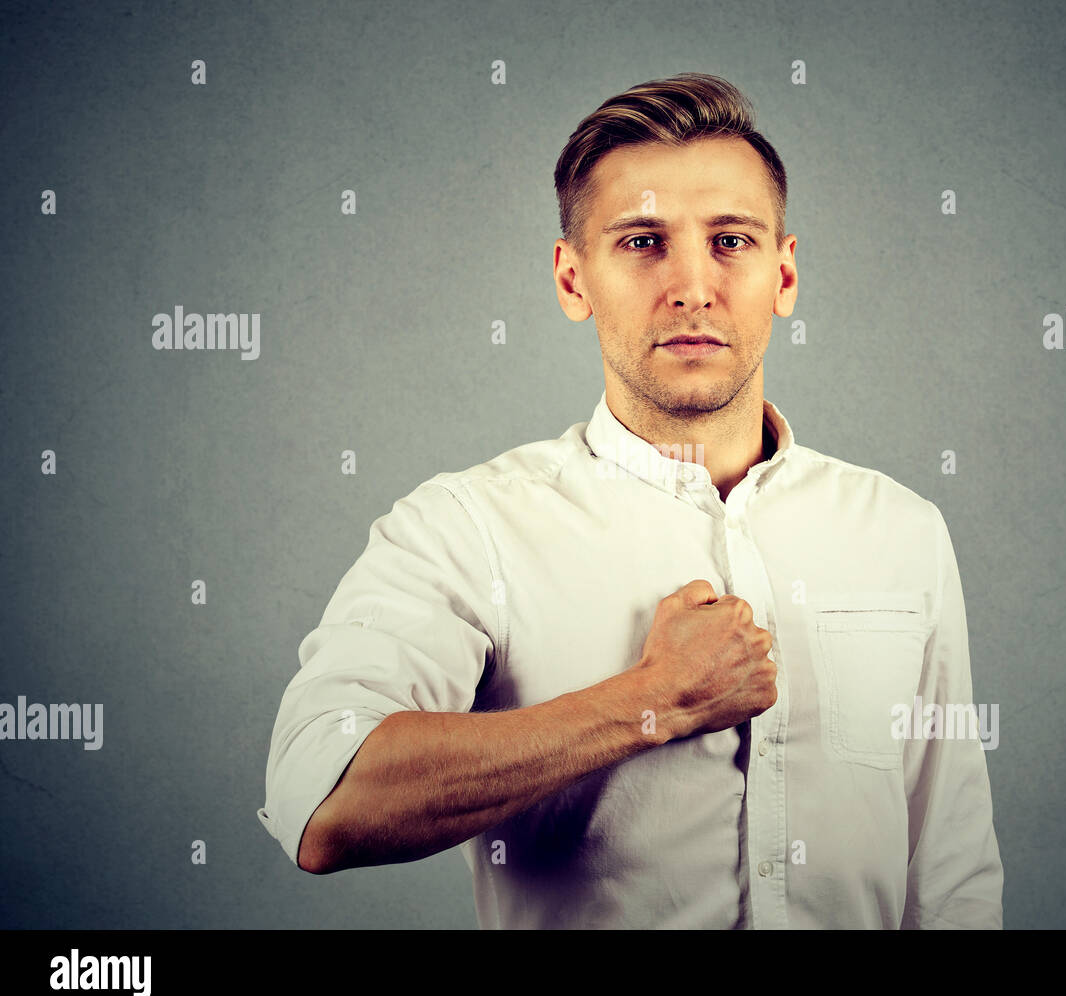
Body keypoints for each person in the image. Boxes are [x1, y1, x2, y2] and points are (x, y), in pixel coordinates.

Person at [258, 72, 1003, 929]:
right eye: (643, 242)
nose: (692, 285)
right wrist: (651, 701)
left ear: (784, 274)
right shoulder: (467, 529)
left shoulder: (902, 532)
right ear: (574, 280)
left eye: (731, 241)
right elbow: (323, 798)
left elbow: (952, 873)